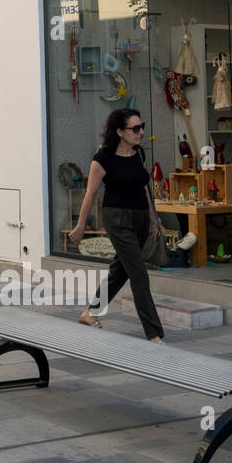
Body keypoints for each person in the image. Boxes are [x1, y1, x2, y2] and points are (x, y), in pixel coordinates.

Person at [67, 108, 166, 343]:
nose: (141, 132)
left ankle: (90, 313)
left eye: (142, 127)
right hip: (117, 218)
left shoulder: (138, 153)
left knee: (121, 270)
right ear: (120, 132)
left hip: (141, 217)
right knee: (139, 274)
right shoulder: (103, 159)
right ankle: (154, 334)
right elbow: (90, 194)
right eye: (135, 128)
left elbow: (144, 187)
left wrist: (154, 218)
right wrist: (81, 225)